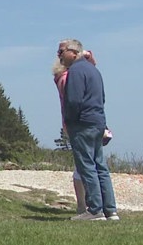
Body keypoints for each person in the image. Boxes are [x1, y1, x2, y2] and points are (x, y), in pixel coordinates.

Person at [59, 38, 118, 221]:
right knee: (100, 166)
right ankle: (110, 210)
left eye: (61, 51)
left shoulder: (75, 71)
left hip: (82, 123)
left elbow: (74, 100)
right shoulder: (94, 70)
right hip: (97, 121)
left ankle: (94, 210)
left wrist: (69, 121)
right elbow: (102, 97)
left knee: (87, 166)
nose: (59, 56)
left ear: (74, 52)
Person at [52, 48, 96, 214]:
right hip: (79, 123)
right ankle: (84, 206)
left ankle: (88, 205)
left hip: (82, 123)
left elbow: (92, 67)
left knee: (86, 163)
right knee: (83, 165)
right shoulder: (64, 77)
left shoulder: (72, 75)